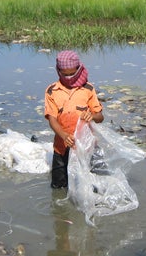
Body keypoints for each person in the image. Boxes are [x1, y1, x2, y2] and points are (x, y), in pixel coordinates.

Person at [44, 50, 104, 189]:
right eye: (65, 75)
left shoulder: (88, 89)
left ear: (79, 69)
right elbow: (52, 119)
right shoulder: (52, 90)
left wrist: (92, 115)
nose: (69, 77)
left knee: (97, 183)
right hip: (62, 146)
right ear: (58, 71)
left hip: (87, 146)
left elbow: (100, 117)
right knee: (59, 186)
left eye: (72, 74)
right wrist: (64, 136)